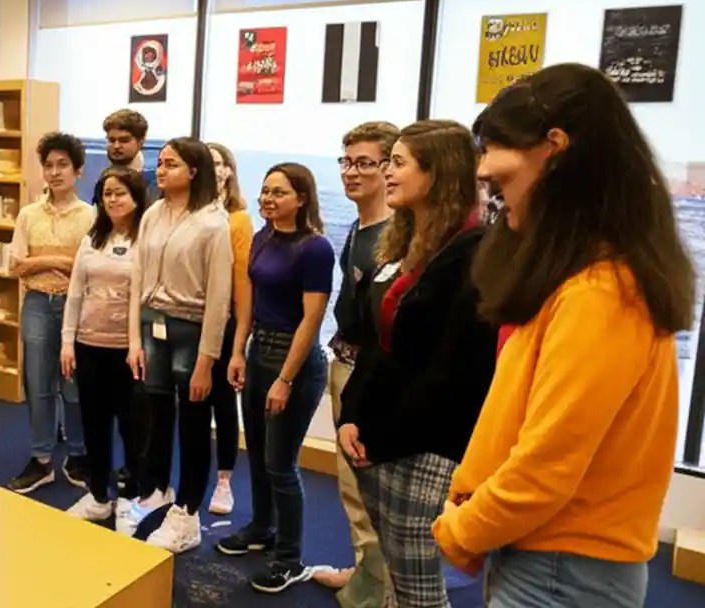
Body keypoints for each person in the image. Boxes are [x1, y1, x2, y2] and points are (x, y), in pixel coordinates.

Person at [434, 64, 696, 608]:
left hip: (561, 569)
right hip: (550, 558)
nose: (495, 196)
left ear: (555, 149)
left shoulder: (601, 292)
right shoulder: (588, 280)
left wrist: (461, 531)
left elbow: (545, 468)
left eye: (501, 177)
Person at [338, 120, 498, 608]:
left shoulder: (474, 254)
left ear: (439, 173)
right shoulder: (405, 245)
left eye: (398, 162)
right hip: (381, 440)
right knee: (397, 583)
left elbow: (453, 374)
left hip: (427, 447)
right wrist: (349, 416)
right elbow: (377, 344)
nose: (387, 172)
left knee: (419, 591)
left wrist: (379, 439)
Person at [212, 163, 334, 594]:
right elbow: (250, 302)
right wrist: (237, 351)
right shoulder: (262, 238)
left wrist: (285, 379)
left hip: (293, 359)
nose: (268, 199)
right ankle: (262, 527)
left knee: (281, 465)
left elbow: (312, 320)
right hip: (258, 349)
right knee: (260, 454)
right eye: (265, 191)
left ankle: (289, 558)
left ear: (301, 198)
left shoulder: (315, 248)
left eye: (279, 193)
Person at [126, 137, 232, 553]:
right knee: (155, 411)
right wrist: (134, 338)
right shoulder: (153, 213)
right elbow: (137, 276)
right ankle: (159, 488)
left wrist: (208, 361)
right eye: (161, 163)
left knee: (192, 420)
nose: (161, 169)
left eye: (171, 164)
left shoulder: (213, 222)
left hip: (192, 328)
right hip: (153, 323)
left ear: (193, 171)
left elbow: (220, 300)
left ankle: (189, 510)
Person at [316, 122, 400, 607]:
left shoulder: (393, 237)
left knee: (368, 494)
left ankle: (378, 596)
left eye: (364, 163)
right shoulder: (359, 226)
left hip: (367, 378)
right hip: (343, 362)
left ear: (389, 167)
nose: (351, 172)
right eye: (346, 161)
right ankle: (365, 577)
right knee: (353, 490)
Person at [7, 132, 96, 493]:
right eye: (48, 165)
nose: (55, 172)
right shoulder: (29, 215)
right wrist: (58, 261)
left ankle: (78, 454)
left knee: (74, 386)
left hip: (79, 307)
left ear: (78, 171)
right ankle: (41, 458)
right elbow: (15, 265)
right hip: (38, 304)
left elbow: (90, 268)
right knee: (39, 384)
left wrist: (40, 261)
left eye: (63, 165)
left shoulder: (90, 216)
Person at [61, 167, 150, 522]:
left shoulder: (146, 240)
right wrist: (68, 342)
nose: (113, 199)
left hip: (128, 352)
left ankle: (131, 498)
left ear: (137, 198)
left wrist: (134, 344)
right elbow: (75, 293)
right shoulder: (91, 239)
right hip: (88, 344)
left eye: (120, 193)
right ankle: (99, 494)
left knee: (132, 427)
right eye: (107, 193)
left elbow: (140, 299)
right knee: (94, 424)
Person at [204, 143, 252, 515]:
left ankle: (224, 481)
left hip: (225, 323)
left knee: (222, 403)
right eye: (209, 163)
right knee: (191, 407)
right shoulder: (189, 215)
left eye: (221, 163)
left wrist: (238, 343)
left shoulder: (238, 220)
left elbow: (242, 287)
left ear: (230, 172)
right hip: (190, 321)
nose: (216, 170)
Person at [103, 109, 159, 201]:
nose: (116, 146)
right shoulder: (105, 177)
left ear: (141, 142)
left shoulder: (154, 181)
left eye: (124, 140)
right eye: (111, 140)